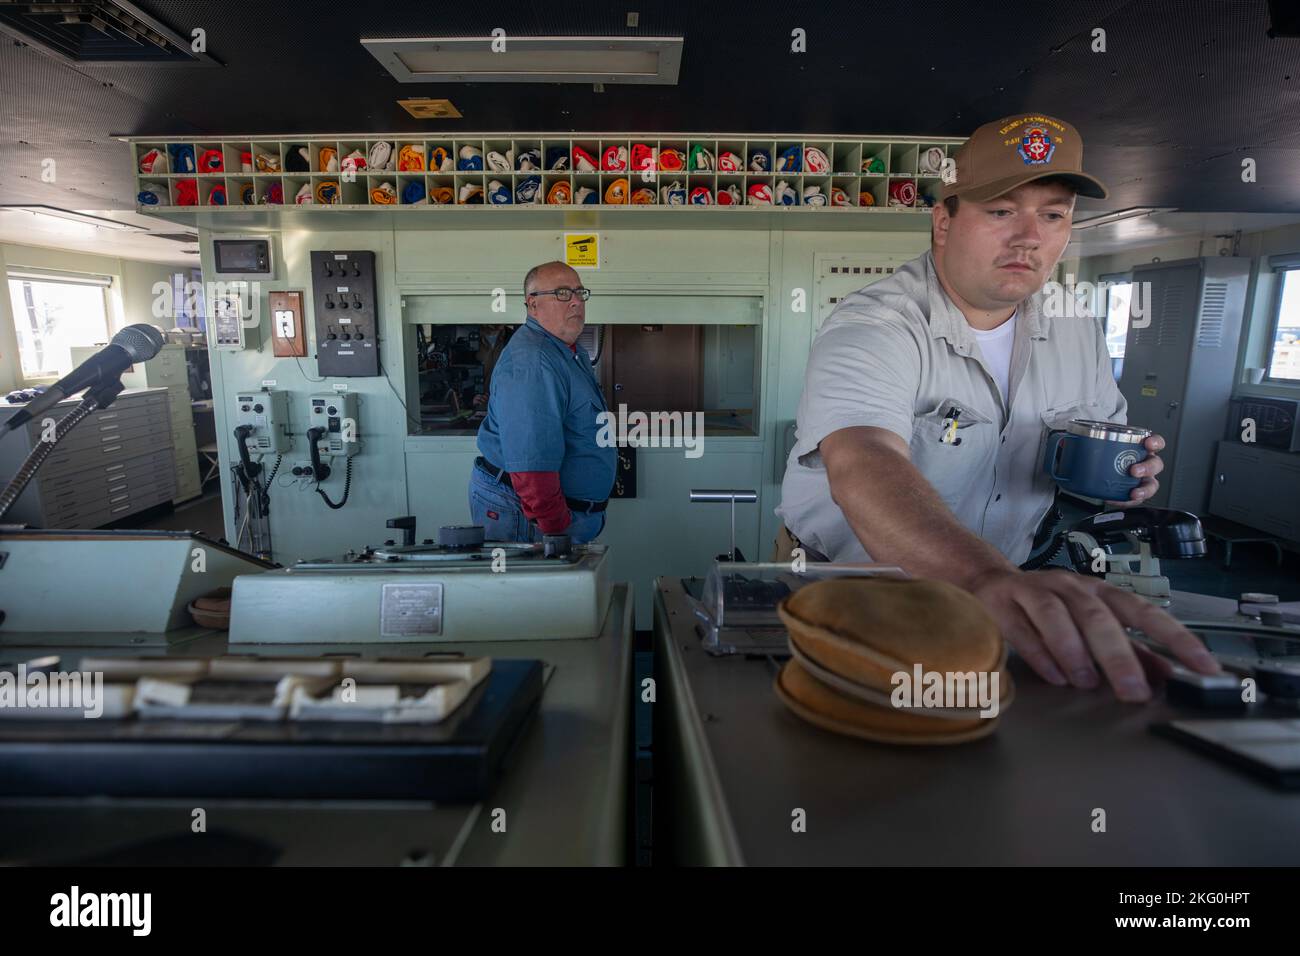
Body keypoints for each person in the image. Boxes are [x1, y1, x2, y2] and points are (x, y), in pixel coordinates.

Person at [776, 113, 1221, 702]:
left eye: (1054, 214)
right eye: (1001, 211)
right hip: (859, 587)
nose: (1029, 237)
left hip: (1001, 587)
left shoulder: (1075, 323)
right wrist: (984, 578)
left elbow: (1097, 434)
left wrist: (1127, 474)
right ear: (944, 221)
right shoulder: (876, 324)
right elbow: (863, 461)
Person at [469, 260, 615, 543]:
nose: (575, 302)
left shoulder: (568, 352)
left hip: (556, 517)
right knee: (532, 589)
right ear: (532, 304)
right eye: (562, 293)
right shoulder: (534, 362)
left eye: (579, 293)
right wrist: (556, 529)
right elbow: (530, 466)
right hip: (533, 519)